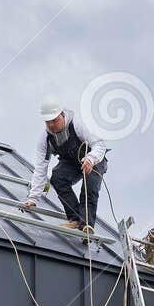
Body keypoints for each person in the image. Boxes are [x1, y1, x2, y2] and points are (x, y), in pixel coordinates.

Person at [20, 98, 107, 232]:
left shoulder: (77, 125)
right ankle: (75, 218)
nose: (52, 125)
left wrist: (91, 159)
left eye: (55, 120)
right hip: (71, 163)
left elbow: (99, 144)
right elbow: (41, 168)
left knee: (89, 188)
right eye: (48, 122)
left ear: (62, 115)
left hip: (94, 160)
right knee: (57, 178)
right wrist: (33, 198)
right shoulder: (45, 139)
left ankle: (86, 225)